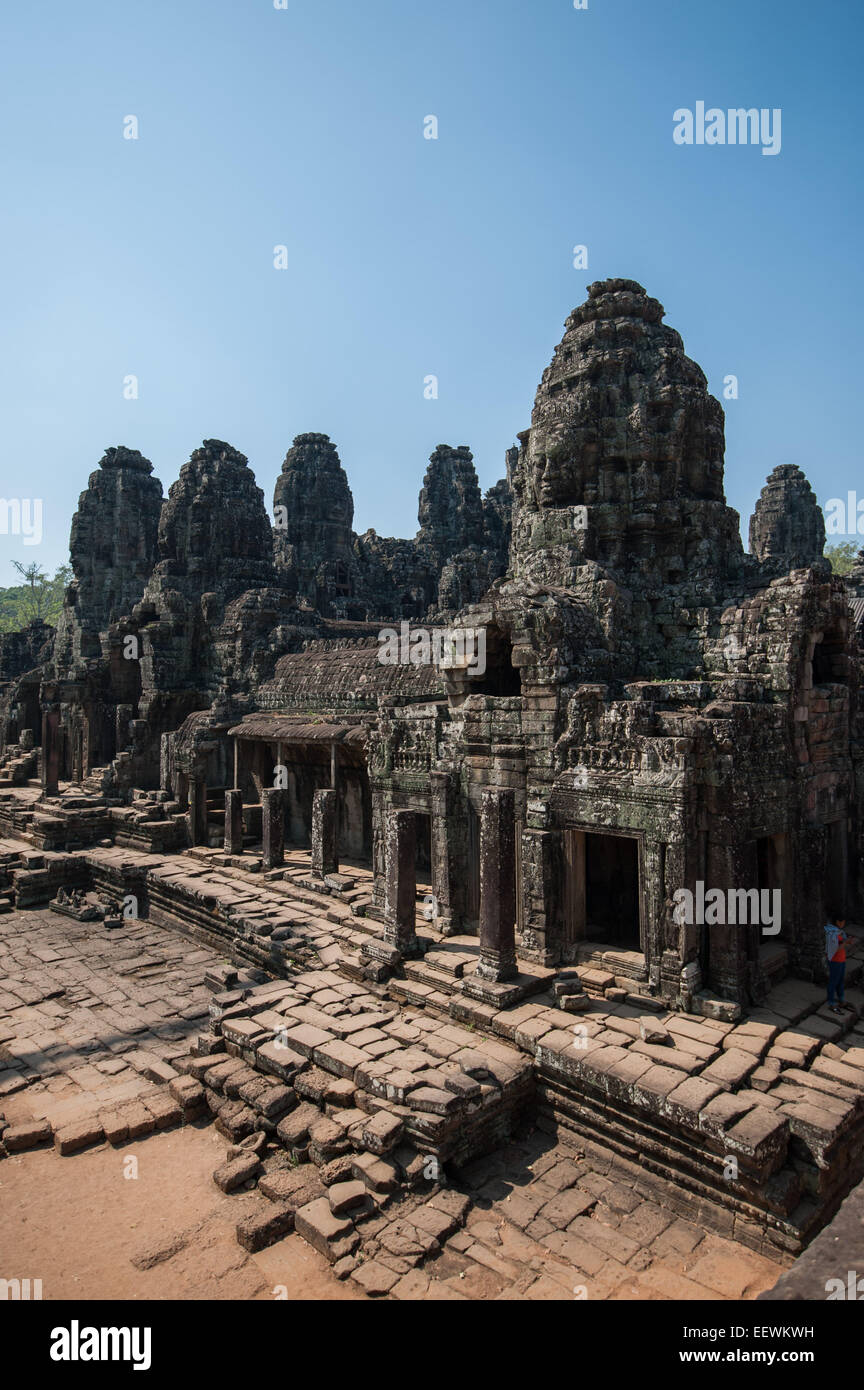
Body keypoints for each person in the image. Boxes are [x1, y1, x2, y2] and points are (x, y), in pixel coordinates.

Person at [825, 916, 853, 1014]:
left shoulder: (839, 932)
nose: (844, 924)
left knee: (840, 980)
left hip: (841, 959)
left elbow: (842, 943)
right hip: (835, 960)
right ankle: (831, 1002)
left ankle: (841, 1000)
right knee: (833, 981)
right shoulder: (832, 933)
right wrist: (845, 942)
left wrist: (847, 941)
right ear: (837, 922)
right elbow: (835, 948)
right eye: (842, 922)